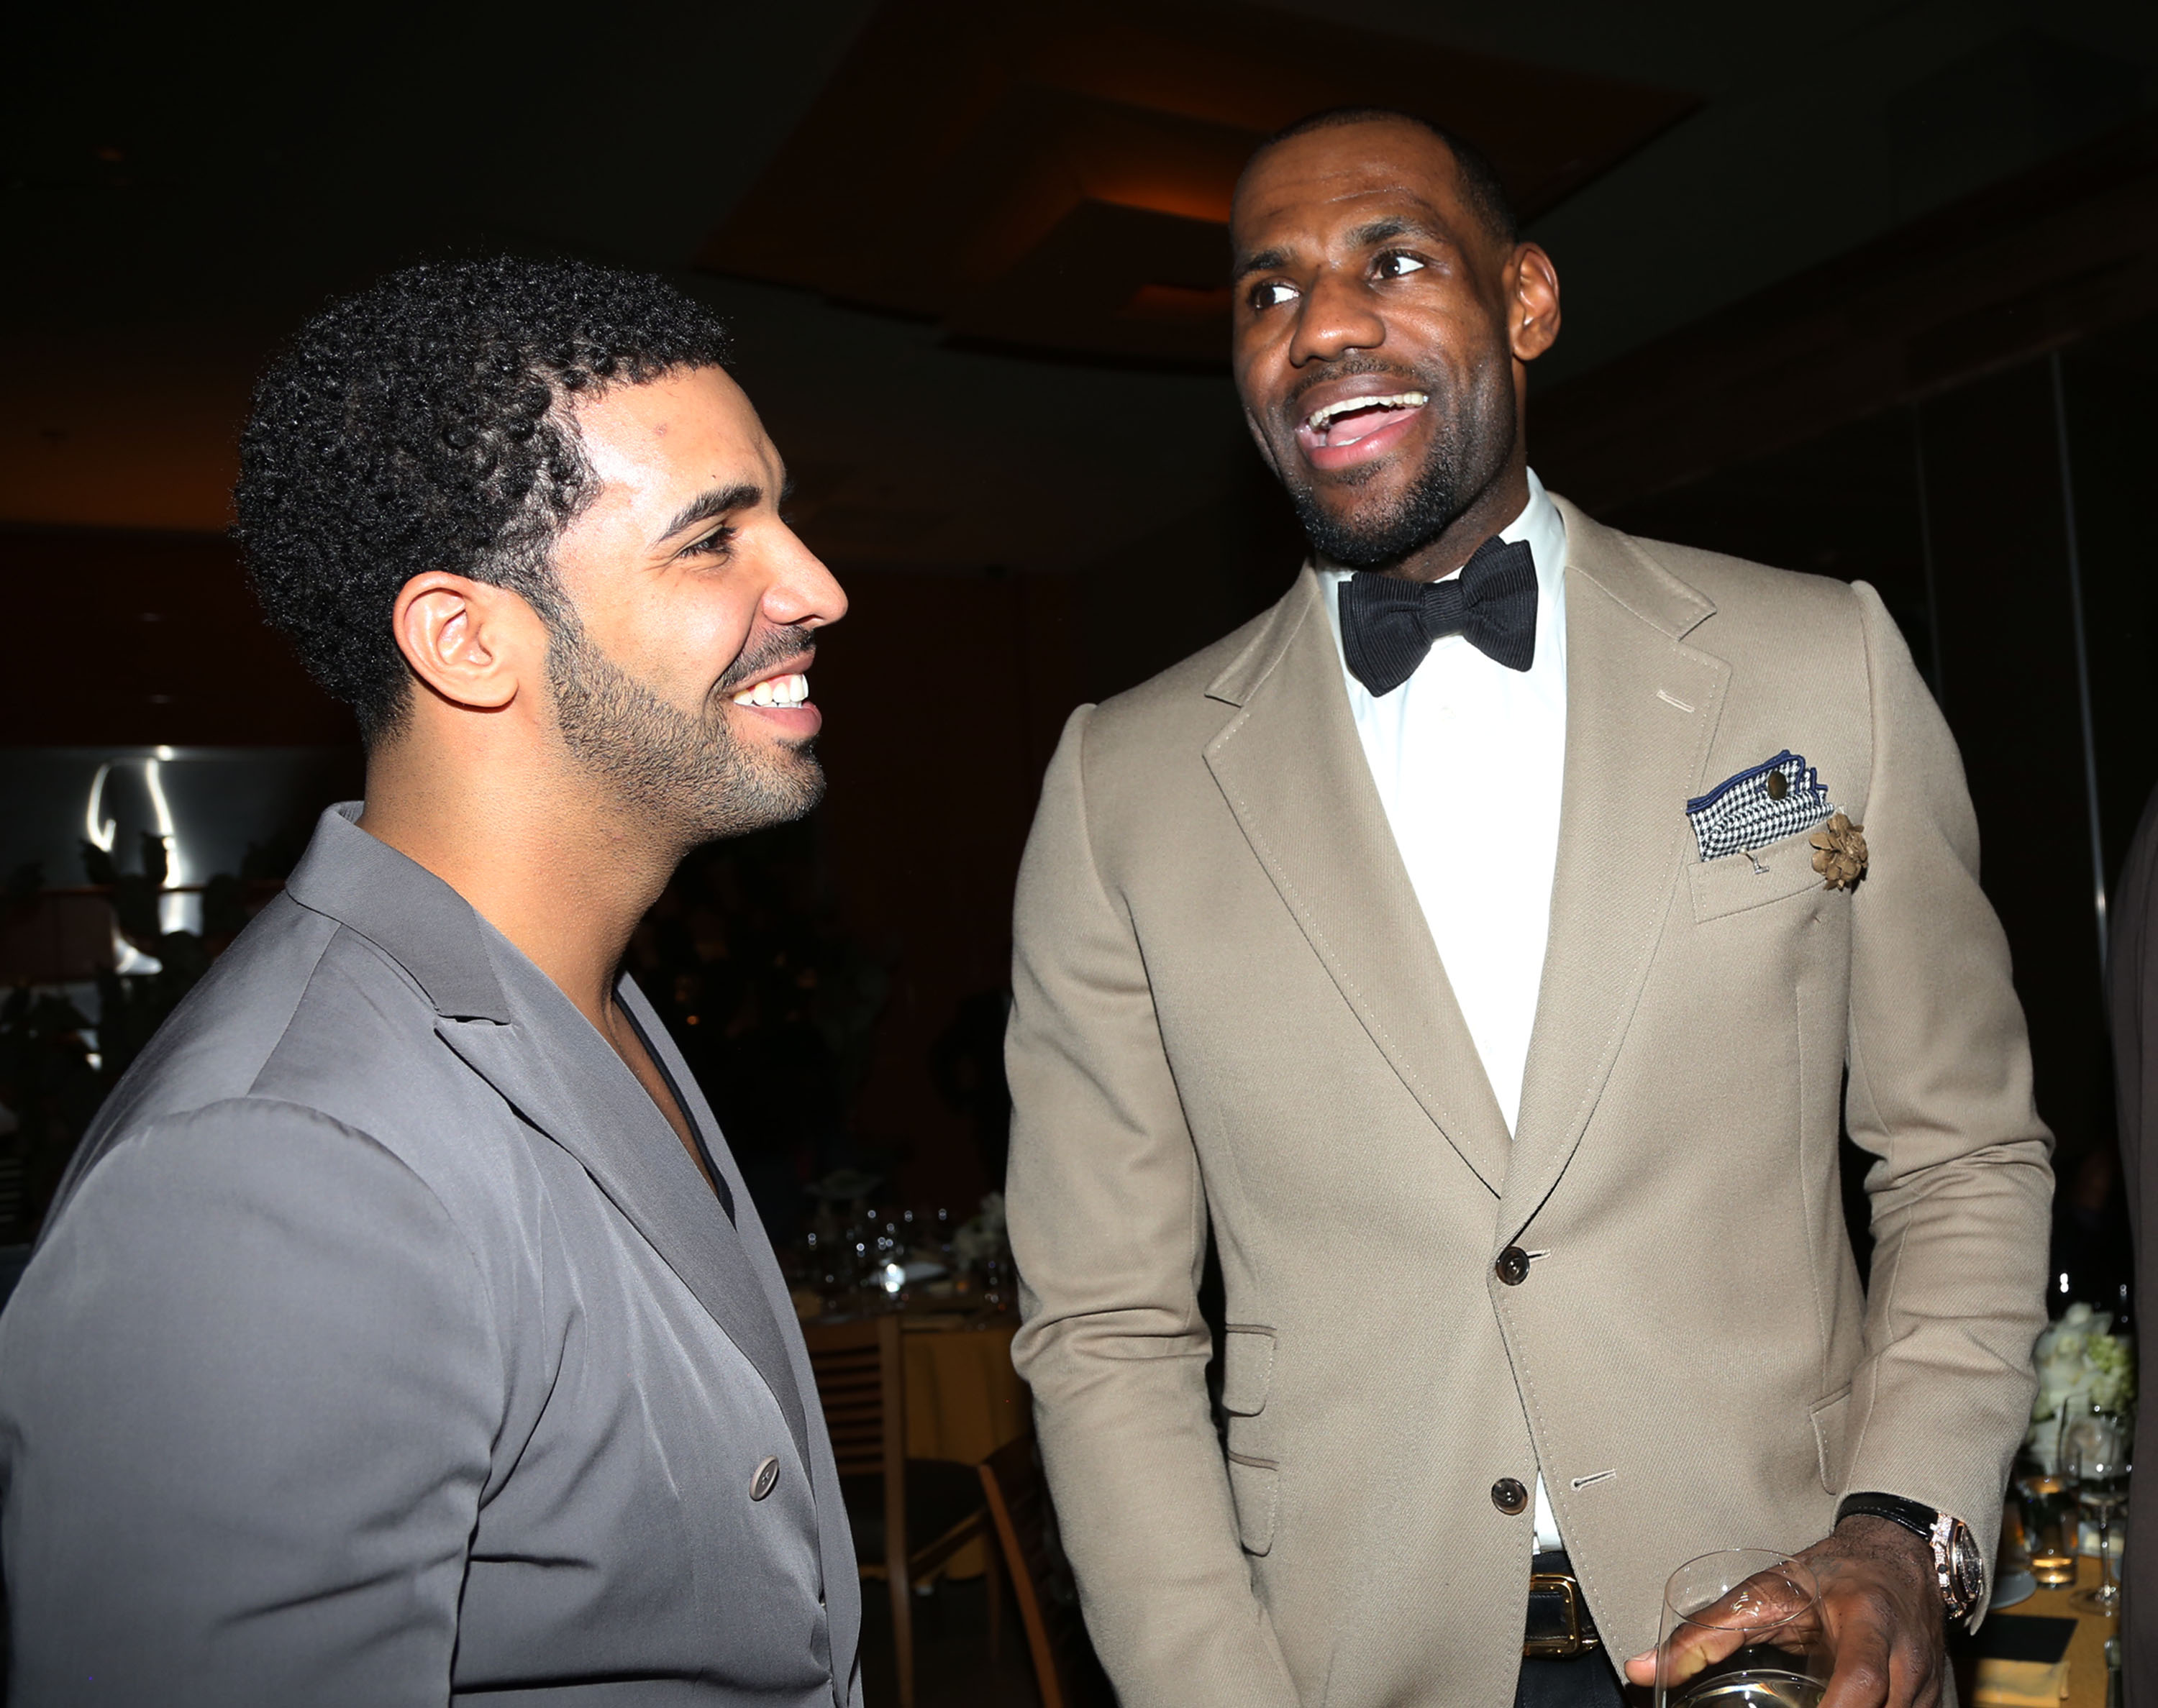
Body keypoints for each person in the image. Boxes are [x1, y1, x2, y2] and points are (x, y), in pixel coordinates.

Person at [1003, 108, 2054, 1708]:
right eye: (1266, 293)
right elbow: (1102, 1327)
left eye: (1395, 260)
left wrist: (1906, 1532)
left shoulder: (1816, 666)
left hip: (1779, 1638)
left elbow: (1963, 1152)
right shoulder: (1117, 787)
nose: (1322, 326)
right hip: (1349, 1662)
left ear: (1529, 303)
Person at [0, 256, 860, 1704]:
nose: (818, 586)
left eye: (778, 510)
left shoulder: (586, 995)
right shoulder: (281, 1165)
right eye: (714, 539)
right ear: (467, 641)